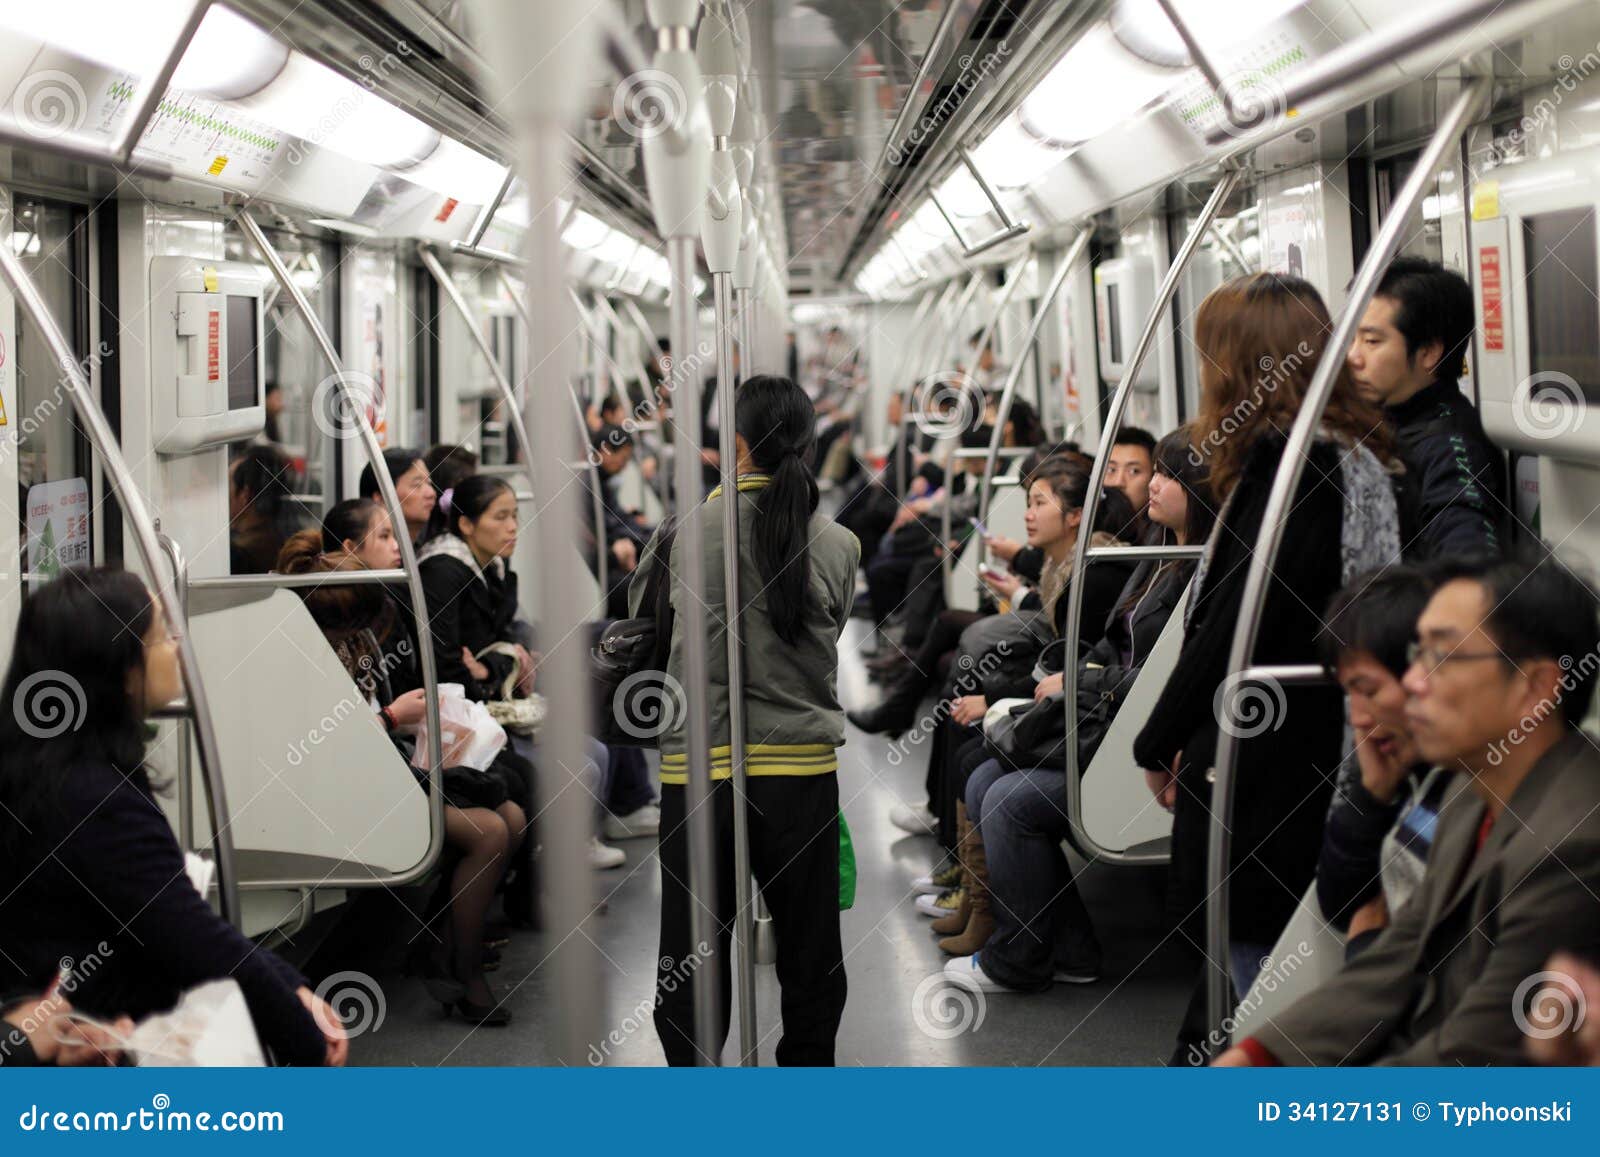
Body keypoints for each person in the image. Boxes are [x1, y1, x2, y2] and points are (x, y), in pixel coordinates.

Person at [1133, 274, 1399, 1035]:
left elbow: (1233, 624)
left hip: (1279, 750)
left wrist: (1157, 738)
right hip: (1295, 733)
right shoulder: (1337, 453)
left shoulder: (1294, 468)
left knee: (1257, 973)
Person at [1216, 554, 1600, 1066]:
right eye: (1419, 654)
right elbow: (1398, 958)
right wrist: (1256, 1056)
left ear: (1535, 688)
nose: (1414, 681)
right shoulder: (1469, 792)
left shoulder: (1573, 849)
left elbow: (1475, 1056)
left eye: (1442, 656)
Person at [0, 568, 346, 1065]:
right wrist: (305, 1041)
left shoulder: (47, 767)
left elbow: (181, 920)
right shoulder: (97, 801)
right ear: (122, 668)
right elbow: (193, 941)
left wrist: (291, 986)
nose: (177, 647)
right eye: (162, 634)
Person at [634, 375, 859, 1066]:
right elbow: (831, 633)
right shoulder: (838, 543)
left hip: (698, 770)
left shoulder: (682, 535)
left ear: (734, 444)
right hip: (799, 774)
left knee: (691, 952)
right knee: (810, 947)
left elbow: (645, 629)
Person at [938, 428, 1214, 975]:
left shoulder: (1201, 573)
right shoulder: (1156, 556)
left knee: (1007, 799)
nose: (1151, 486)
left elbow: (1166, 678)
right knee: (983, 775)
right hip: (1104, 719)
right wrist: (1077, 673)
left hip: (1134, 737)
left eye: (1167, 476)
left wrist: (1083, 683)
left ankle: (1020, 957)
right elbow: (1112, 643)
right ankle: (1070, 948)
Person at [277, 528, 527, 1024]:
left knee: (513, 815)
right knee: (490, 832)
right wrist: (393, 717)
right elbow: (317, 747)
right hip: (335, 792)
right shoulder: (297, 657)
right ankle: (462, 969)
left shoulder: (349, 643)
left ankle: (444, 946)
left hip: (376, 770)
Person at [1314, 566, 1448, 958]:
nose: (1358, 718)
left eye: (1369, 691)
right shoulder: (1404, 771)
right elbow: (1340, 905)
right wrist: (1372, 794)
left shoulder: (1470, 786)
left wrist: (1364, 944)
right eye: (1350, 695)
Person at [1347, 256, 1506, 560]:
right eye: (1351, 339)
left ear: (1429, 352)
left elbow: (1467, 550)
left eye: (1371, 341)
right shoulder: (1380, 420)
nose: (1353, 357)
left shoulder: (1449, 445)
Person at [228, 443, 315, 574]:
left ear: (245, 495)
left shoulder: (238, 555)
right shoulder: (291, 539)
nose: (223, 495)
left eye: (228, 485)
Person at [358, 448, 437, 548]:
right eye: (417, 485)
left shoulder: (431, 547)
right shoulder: (368, 553)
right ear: (381, 498)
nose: (431, 493)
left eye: (429, 483)